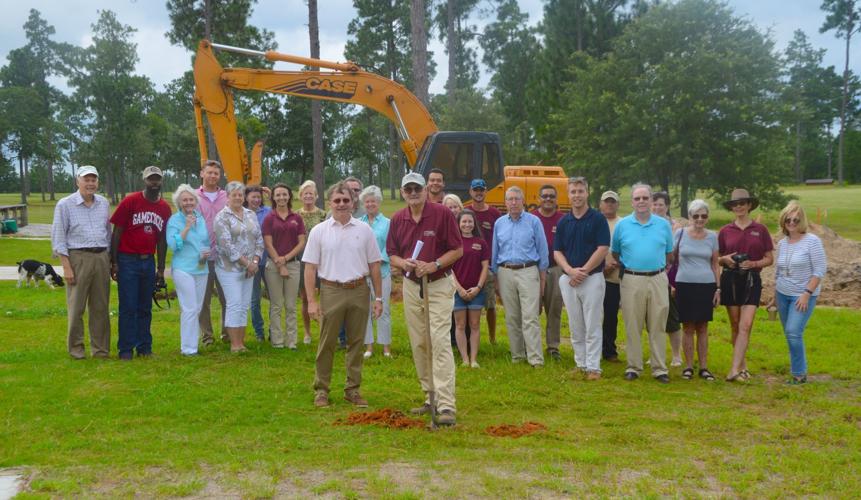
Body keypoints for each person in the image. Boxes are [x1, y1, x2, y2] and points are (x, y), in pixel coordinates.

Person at [387, 172, 462, 426]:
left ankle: (446, 404)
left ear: (425, 190)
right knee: (419, 342)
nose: (413, 193)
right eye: (408, 189)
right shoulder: (398, 219)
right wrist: (403, 263)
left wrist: (434, 264)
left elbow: (457, 249)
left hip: (438, 283)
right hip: (411, 285)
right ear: (403, 192)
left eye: (417, 188)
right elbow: (392, 254)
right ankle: (430, 396)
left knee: (439, 341)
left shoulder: (442, 214)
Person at [303, 181, 383, 408]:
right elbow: (310, 268)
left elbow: (375, 265)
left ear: (353, 202)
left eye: (345, 200)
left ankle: (353, 390)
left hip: (359, 289)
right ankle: (321, 390)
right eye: (337, 200)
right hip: (331, 289)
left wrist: (378, 298)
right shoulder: (319, 231)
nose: (341, 204)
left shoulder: (364, 230)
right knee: (326, 343)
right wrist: (311, 301)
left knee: (356, 343)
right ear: (329, 202)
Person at [611, 183, 674, 383]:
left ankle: (659, 369)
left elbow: (669, 254)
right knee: (633, 323)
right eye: (637, 198)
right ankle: (634, 367)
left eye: (645, 198)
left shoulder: (663, 225)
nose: (641, 202)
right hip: (631, 278)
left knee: (658, 323)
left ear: (651, 201)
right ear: (632, 202)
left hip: (657, 277)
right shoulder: (623, 225)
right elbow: (615, 252)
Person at [110, 166, 172, 360]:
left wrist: (161, 269)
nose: (154, 182)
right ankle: (126, 349)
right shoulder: (131, 201)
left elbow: (162, 240)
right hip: (128, 259)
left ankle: (145, 347)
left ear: (161, 181)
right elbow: (117, 232)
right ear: (144, 181)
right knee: (128, 306)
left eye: (157, 179)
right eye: (150, 179)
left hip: (148, 261)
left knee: (145, 307)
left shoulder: (164, 208)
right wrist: (114, 262)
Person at [51, 165, 111, 360]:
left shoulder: (103, 203)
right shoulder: (65, 204)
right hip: (78, 258)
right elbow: (59, 238)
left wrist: (109, 260)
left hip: (101, 257)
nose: (90, 183)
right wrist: (66, 267)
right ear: (78, 181)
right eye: (87, 179)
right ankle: (76, 350)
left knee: (100, 307)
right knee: (76, 307)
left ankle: (100, 350)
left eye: (94, 180)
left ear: (97, 183)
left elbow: (107, 233)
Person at [553, 177, 610, 380]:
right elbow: (557, 251)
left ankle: (594, 368)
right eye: (573, 191)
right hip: (569, 280)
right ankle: (581, 363)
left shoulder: (597, 219)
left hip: (592, 278)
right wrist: (569, 270)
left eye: (580, 191)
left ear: (587, 193)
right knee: (576, 324)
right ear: (568, 195)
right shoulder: (563, 221)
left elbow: (603, 248)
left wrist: (583, 271)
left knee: (592, 323)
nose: (577, 195)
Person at [718, 188, 773, 382]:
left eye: (742, 203)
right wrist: (726, 259)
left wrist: (754, 264)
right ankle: (742, 366)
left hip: (752, 279)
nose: (739, 206)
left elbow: (769, 258)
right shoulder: (725, 231)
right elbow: (717, 259)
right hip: (730, 280)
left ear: (749, 205)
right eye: (735, 204)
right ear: (732, 207)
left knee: (746, 324)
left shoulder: (761, 230)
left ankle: (733, 370)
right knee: (735, 324)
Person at [491, 186, 549, 367]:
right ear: (505, 202)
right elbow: (495, 251)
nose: (513, 202)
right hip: (505, 271)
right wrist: (495, 278)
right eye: (510, 199)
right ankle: (518, 356)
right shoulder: (499, 223)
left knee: (530, 317)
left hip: (528, 270)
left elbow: (543, 250)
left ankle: (535, 359)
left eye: (517, 199)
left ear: (523, 201)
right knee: (512, 317)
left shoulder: (534, 222)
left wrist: (542, 278)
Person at [775, 201, 826, 385]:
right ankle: (796, 369)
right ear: (783, 220)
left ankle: (799, 374)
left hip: (802, 295)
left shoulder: (812, 241)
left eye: (796, 219)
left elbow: (819, 270)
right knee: (790, 334)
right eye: (788, 219)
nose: (792, 222)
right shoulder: (782, 243)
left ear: (802, 220)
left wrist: (806, 293)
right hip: (782, 294)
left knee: (793, 332)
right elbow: (778, 271)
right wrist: (774, 297)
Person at [213, 181, 264, 353]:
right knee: (234, 303)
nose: (237, 197)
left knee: (244, 305)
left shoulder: (251, 214)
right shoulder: (222, 217)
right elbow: (227, 246)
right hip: (229, 269)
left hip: (250, 269)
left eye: (240, 194)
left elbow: (259, 239)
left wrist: (255, 262)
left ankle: (241, 342)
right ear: (227, 197)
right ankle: (235, 345)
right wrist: (247, 263)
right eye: (234, 194)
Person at [673, 199, 720, 381]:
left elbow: (715, 263)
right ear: (690, 217)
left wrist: (718, 288)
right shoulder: (680, 234)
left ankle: (704, 367)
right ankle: (688, 366)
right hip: (684, 283)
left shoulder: (712, 236)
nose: (700, 219)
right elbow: (671, 258)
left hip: (706, 285)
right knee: (687, 327)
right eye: (696, 216)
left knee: (702, 326)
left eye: (704, 216)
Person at [166, 184, 211, 356]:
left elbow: (204, 240)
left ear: (196, 201)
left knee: (197, 308)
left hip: (201, 267)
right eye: (184, 200)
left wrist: (206, 253)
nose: (188, 203)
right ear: (179, 202)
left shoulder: (200, 217)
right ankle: (188, 348)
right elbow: (173, 245)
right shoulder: (174, 220)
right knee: (190, 308)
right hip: (183, 269)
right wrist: (185, 227)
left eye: (191, 199)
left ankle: (192, 344)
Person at [263, 183, 306, 349]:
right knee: (276, 305)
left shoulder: (297, 218)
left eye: (284, 194)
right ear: (273, 197)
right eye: (278, 195)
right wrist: (279, 263)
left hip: (293, 265)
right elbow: (268, 243)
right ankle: (277, 340)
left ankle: (292, 341)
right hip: (272, 266)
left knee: (290, 305)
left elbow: (301, 242)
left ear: (289, 196)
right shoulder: (269, 218)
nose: (281, 197)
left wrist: (286, 259)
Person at [531, 184, 565, 361]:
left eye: (551, 196)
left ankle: (553, 347)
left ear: (556, 198)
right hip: (533, 271)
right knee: (532, 310)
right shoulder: (530, 218)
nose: (548, 199)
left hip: (555, 269)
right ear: (538, 198)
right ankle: (532, 345)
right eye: (544, 196)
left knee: (554, 309)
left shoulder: (563, 220)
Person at [452, 210, 490, 368]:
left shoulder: (481, 243)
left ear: (474, 224)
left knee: (475, 325)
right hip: (457, 292)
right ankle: (464, 359)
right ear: (458, 224)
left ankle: (474, 359)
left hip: (476, 291)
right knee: (460, 325)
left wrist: (478, 287)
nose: (467, 224)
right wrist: (459, 289)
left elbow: (485, 267)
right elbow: (450, 269)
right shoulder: (453, 242)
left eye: (470, 221)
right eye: (463, 222)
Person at [197, 160, 228, 345]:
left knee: (227, 298)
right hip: (203, 256)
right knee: (203, 299)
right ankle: (207, 336)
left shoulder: (226, 196)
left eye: (216, 173)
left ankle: (227, 334)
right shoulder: (194, 196)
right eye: (209, 172)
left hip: (224, 257)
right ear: (202, 174)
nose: (212, 176)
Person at [359, 186, 392, 359]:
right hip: (362, 273)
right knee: (365, 310)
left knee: (383, 309)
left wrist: (378, 261)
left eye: (373, 201)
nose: (370, 204)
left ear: (379, 202)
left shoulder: (387, 223)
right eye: (367, 201)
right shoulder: (359, 222)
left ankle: (386, 347)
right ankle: (369, 346)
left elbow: (390, 246)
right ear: (363, 204)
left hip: (382, 271)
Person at [469, 178, 502, 344]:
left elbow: (500, 240)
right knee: (469, 304)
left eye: (481, 190)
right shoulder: (466, 212)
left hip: (488, 266)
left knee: (490, 305)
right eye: (476, 190)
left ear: (486, 191)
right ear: (471, 192)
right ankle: (469, 335)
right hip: (469, 266)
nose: (478, 193)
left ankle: (492, 337)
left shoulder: (494, 214)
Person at [652, 191, 683, 367]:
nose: (657, 208)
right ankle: (655, 353)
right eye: (654, 204)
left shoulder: (675, 228)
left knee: (671, 317)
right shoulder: (647, 224)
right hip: (651, 275)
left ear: (667, 206)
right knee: (652, 319)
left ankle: (676, 355)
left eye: (660, 204)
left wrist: (671, 281)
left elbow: (676, 255)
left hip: (670, 276)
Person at [297, 180, 326, 344]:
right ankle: (307, 333)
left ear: (316, 196)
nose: (308, 196)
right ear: (300, 196)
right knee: (305, 298)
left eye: (311, 193)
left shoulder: (323, 214)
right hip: (302, 260)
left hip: (321, 261)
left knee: (324, 297)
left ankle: (324, 329)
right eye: (305, 193)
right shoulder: (295, 215)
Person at [245, 185, 271, 342]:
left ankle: (273, 330)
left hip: (268, 260)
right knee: (254, 299)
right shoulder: (242, 213)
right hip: (251, 263)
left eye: (258, 197)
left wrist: (270, 194)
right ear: (246, 198)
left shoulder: (268, 212)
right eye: (253, 197)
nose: (256, 199)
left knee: (274, 297)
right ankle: (259, 331)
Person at [599, 190, 622, 362]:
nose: (609, 204)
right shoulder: (594, 221)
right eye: (606, 201)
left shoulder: (624, 223)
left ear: (617, 204)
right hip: (596, 275)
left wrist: (616, 264)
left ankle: (609, 350)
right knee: (594, 315)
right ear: (600, 204)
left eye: (613, 202)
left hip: (616, 276)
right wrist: (602, 267)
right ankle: (593, 349)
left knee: (611, 316)